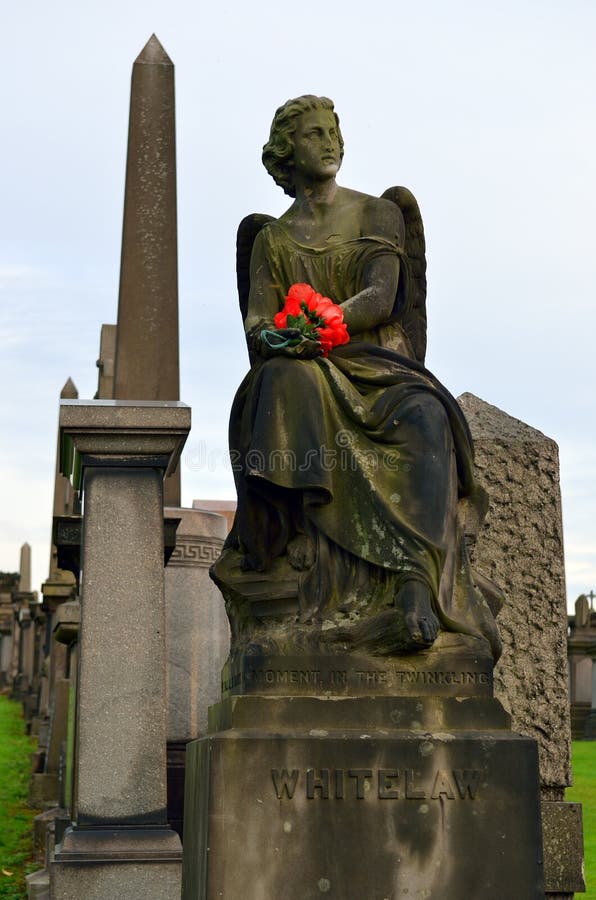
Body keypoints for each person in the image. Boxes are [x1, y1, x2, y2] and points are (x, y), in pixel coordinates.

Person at [215, 95, 500, 661]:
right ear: (285, 153)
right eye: (313, 134)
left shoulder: (378, 214)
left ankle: (416, 578)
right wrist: (277, 337)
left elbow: (383, 293)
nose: (328, 142)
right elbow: (257, 319)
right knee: (281, 383)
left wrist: (330, 321)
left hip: (373, 364)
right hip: (303, 365)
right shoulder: (271, 239)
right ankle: (298, 545)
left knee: (425, 413)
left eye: (332, 132)